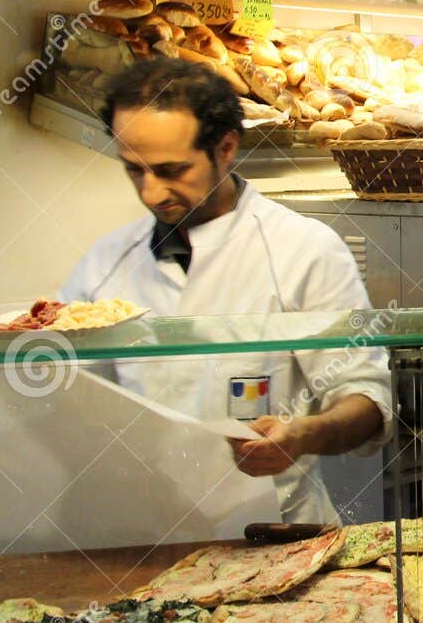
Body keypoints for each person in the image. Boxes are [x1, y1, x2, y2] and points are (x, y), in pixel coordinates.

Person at [60, 59, 392, 523]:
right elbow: (70, 394)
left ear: (226, 147)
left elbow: (366, 399)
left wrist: (302, 435)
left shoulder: (304, 250)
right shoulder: (105, 260)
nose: (152, 193)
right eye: (134, 171)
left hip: (274, 532)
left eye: (171, 170)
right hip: (137, 534)